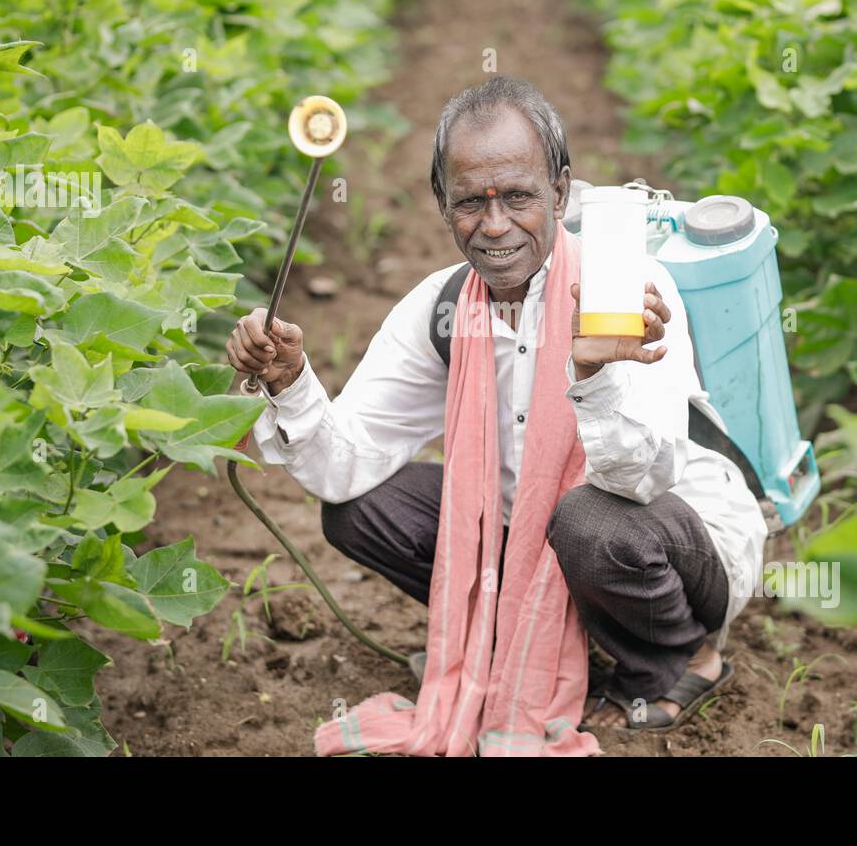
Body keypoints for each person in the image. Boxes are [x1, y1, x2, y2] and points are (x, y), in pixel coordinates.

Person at [226, 75, 766, 750]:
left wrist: (592, 372)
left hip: (678, 540)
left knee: (590, 521)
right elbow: (343, 466)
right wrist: (293, 381)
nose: (496, 225)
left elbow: (641, 483)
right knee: (361, 508)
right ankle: (510, 629)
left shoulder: (624, 290)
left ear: (560, 192)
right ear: (441, 205)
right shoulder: (444, 307)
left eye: (518, 197)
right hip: (542, 536)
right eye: (470, 204)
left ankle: (678, 659)